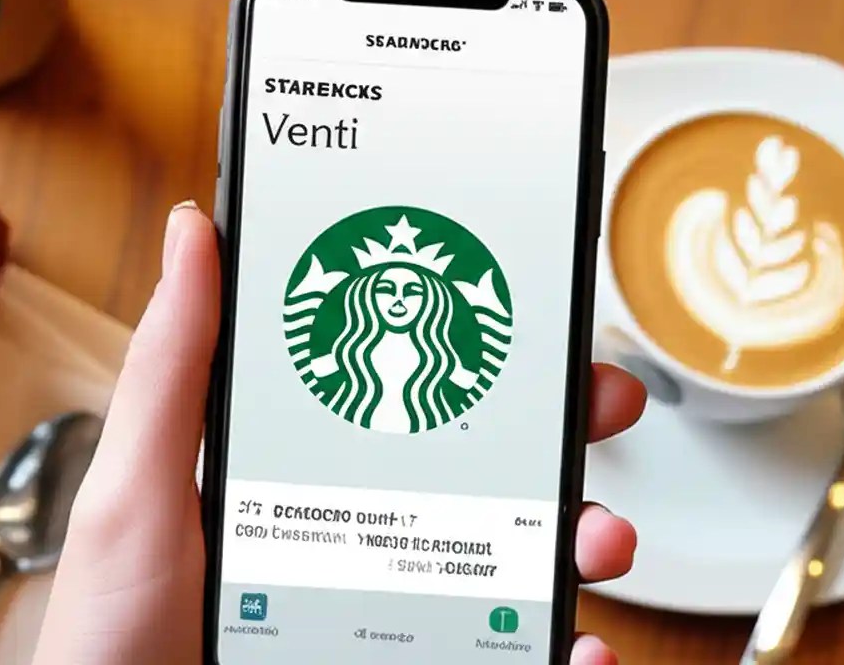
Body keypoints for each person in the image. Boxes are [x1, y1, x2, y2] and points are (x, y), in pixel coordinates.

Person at [33, 203, 647, 665]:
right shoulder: (342, 364)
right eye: (386, 286)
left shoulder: (447, 369)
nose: (399, 298)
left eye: (412, 288)